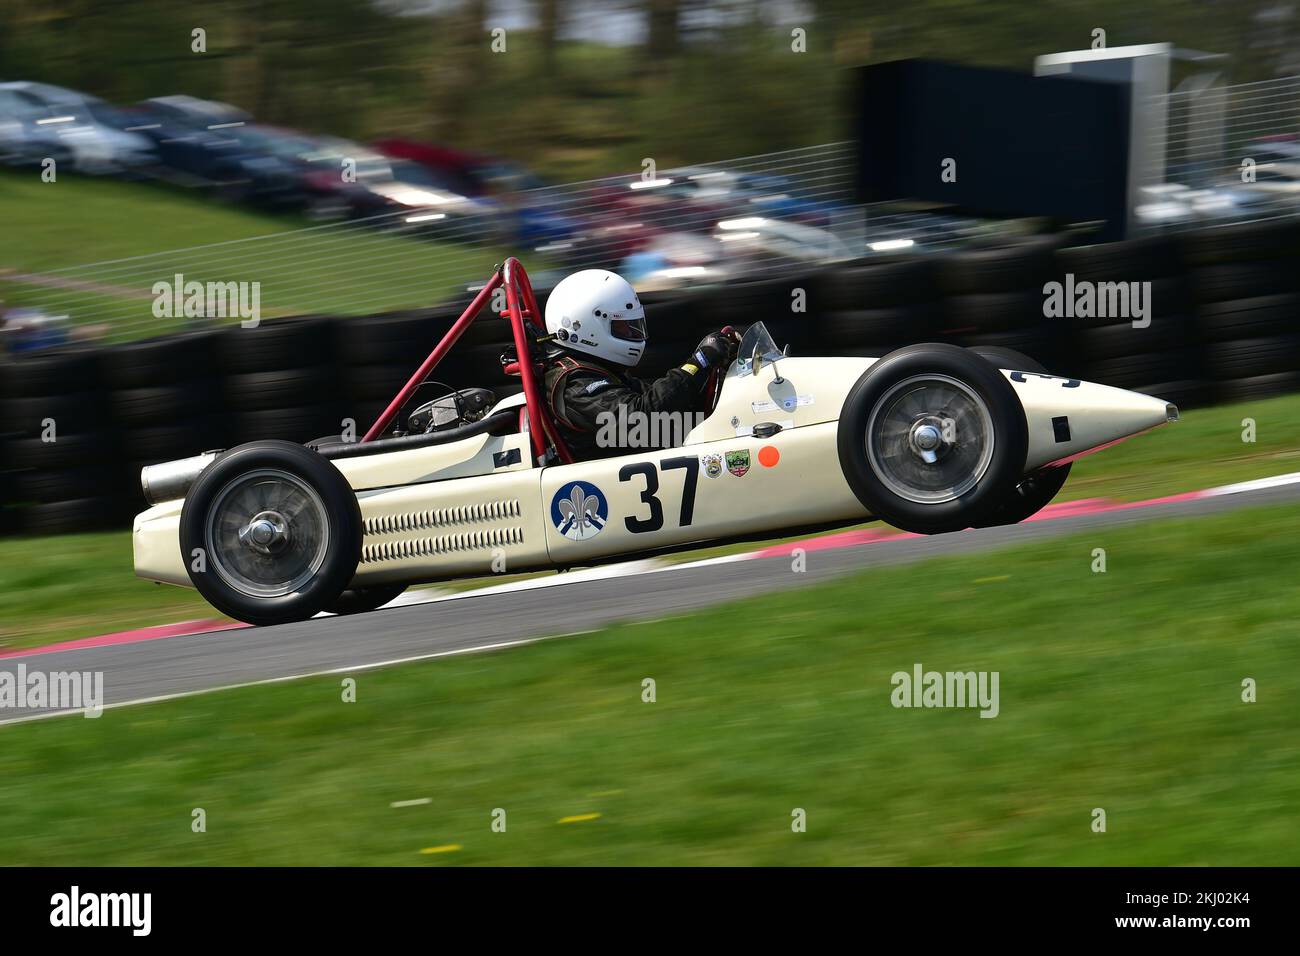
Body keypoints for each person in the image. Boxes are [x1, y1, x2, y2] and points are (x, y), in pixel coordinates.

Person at [542, 269, 738, 459]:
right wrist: (699, 362)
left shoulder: (603, 372)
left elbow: (667, 406)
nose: (631, 333)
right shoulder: (576, 386)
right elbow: (642, 416)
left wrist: (712, 375)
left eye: (632, 325)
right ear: (583, 327)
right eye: (622, 327)